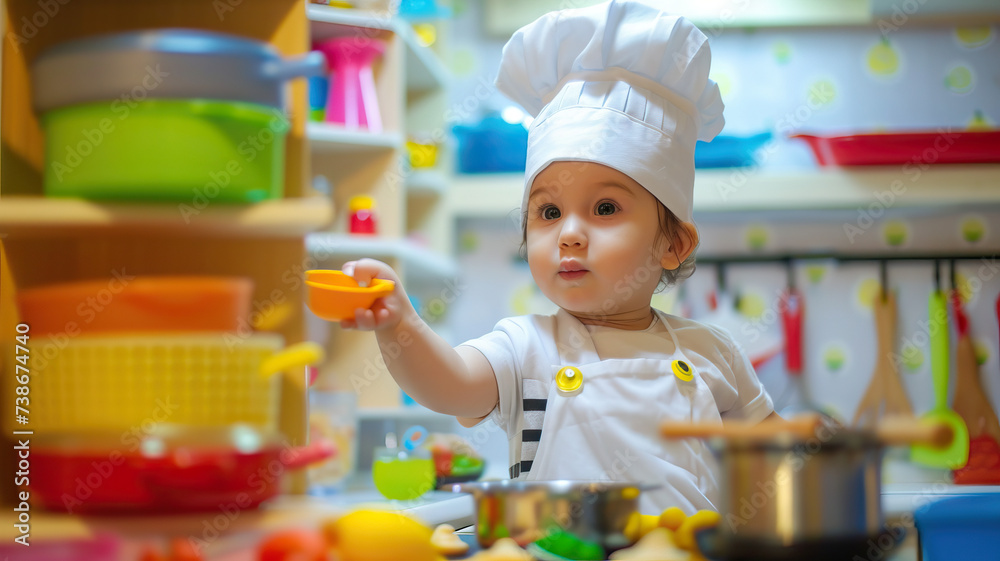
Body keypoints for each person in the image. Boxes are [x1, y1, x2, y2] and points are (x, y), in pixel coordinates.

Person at [338, 0, 777, 514]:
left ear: (673, 244)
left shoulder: (713, 351)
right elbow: (450, 387)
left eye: (606, 207)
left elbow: (773, 456)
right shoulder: (526, 346)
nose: (569, 233)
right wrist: (399, 324)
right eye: (548, 212)